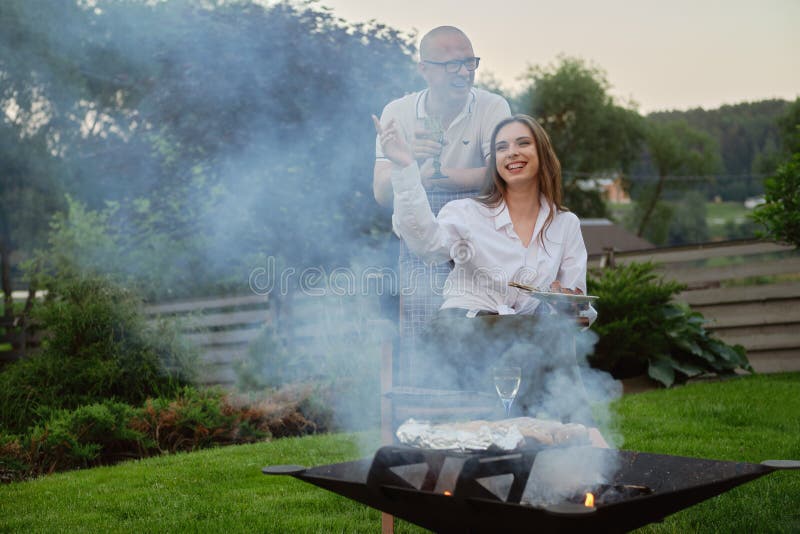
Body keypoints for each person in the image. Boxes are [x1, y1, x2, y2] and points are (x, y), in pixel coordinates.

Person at [374, 113, 606, 445]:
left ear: (542, 153)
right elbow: (425, 244)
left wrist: (569, 306)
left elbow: (577, 307)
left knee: (537, 346)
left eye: (522, 143)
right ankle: (588, 438)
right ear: (494, 162)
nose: (511, 152)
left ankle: (540, 462)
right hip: (458, 332)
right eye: (501, 147)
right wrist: (405, 167)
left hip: (520, 345)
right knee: (543, 339)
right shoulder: (467, 212)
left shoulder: (565, 225)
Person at [373, 26, 511, 385]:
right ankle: (425, 420)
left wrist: (438, 176)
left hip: (479, 239)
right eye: (453, 65)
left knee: (479, 328)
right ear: (425, 69)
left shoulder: (493, 106)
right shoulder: (397, 112)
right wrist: (408, 166)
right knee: (422, 334)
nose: (465, 72)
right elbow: (381, 193)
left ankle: (488, 416)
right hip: (418, 235)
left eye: (470, 62)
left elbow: (502, 175)